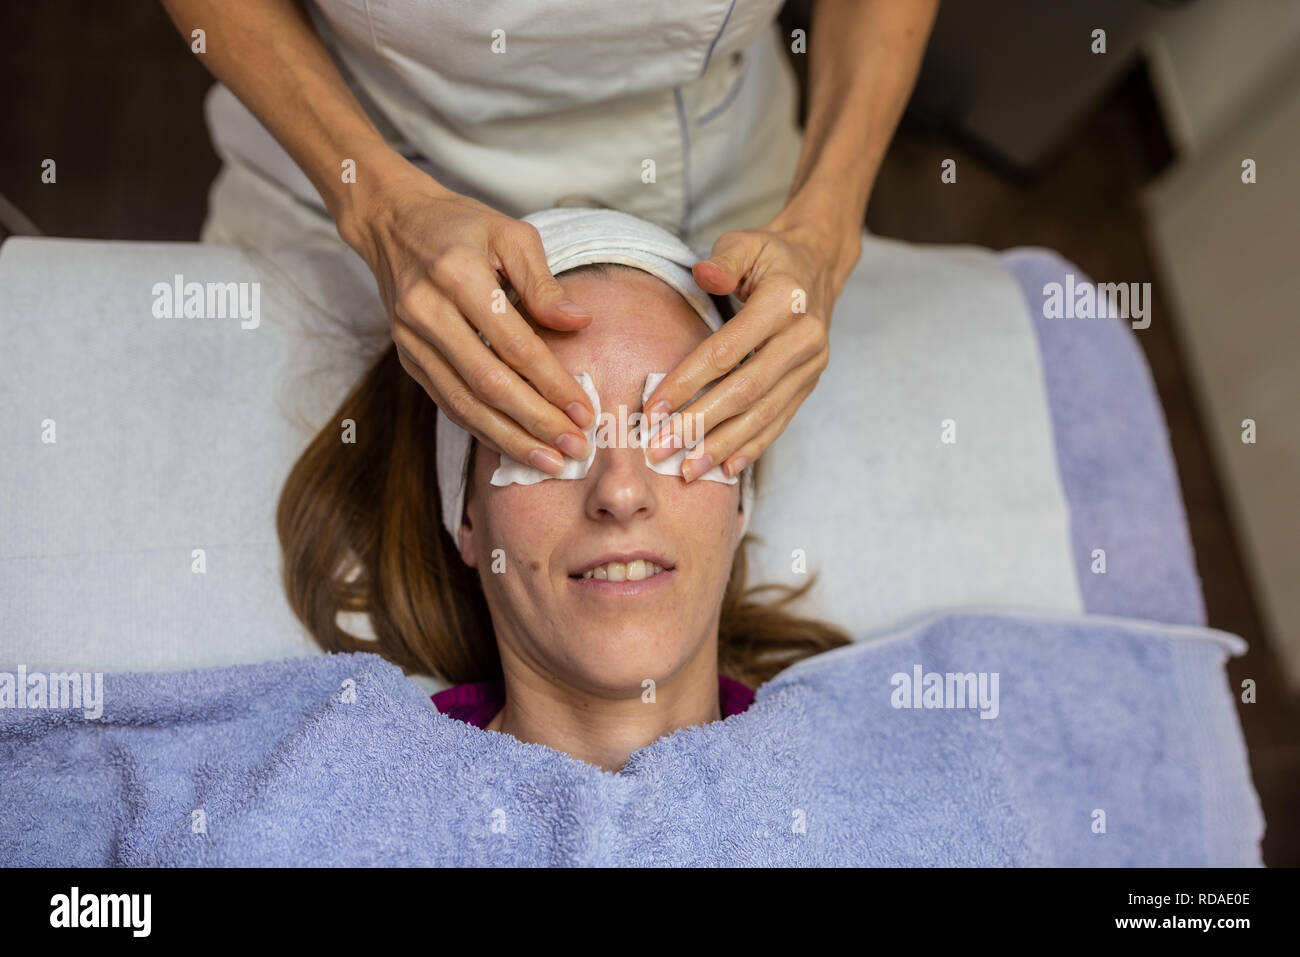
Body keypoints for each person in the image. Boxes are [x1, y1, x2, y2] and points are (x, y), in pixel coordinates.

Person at [162, 0, 938, 487]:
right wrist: (376, 208)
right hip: (351, 142)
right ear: (465, 531)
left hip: (721, 169)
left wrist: (826, 229)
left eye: (666, 442)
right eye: (554, 459)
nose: (622, 494)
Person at [275, 209, 851, 773]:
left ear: (741, 499)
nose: (621, 492)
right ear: (466, 519)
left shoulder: (867, 766)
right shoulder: (345, 793)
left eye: (678, 430)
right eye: (552, 434)